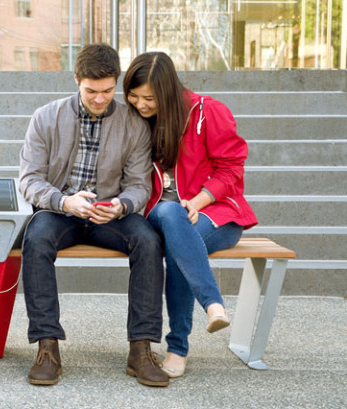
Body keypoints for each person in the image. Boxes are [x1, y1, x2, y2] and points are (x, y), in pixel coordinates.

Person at [19, 43, 169, 388]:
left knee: (147, 240)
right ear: (76, 80)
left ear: (115, 83)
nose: (100, 98)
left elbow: (138, 185)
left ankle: (141, 349)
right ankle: (47, 347)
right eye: (91, 91)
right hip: (60, 211)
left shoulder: (134, 123)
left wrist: (123, 206)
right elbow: (29, 180)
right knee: (36, 237)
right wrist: (63, 202)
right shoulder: (46, 117)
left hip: (110, 214)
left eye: (107, 91)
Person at [123, 52, 258, 378]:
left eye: (149, 98)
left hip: (216, 212)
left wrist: (197, 201)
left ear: (167, 91)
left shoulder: (207, 113)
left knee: (182, 240)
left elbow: (231, 170)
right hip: (161, 212)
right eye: (134, 96)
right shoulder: (134, 120)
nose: (140, 104)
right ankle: (212, 305)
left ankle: (178, 346)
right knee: (171, 215)